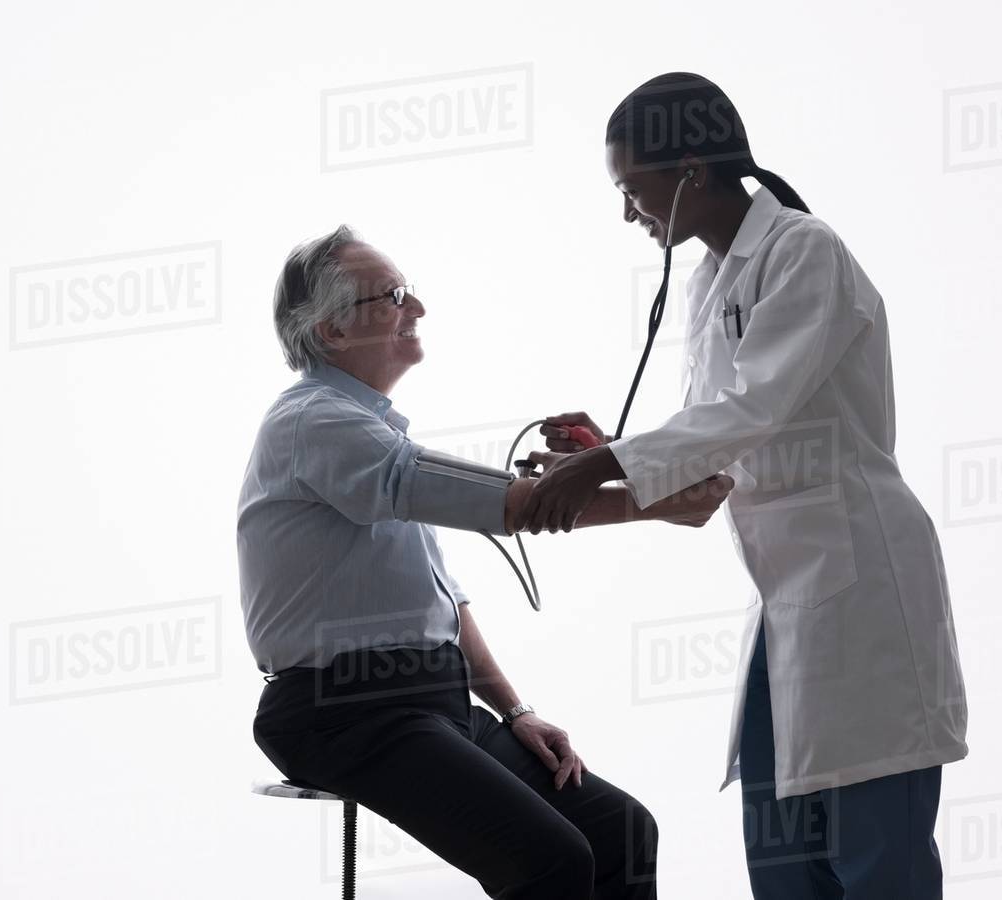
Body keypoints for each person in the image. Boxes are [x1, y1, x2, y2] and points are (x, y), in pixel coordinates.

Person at [518, 73, 967, 900]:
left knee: (878, 867)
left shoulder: (804, 249)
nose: (629, 214)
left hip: (862, 587)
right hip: (786, 601)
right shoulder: (709, 279)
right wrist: (607, 452)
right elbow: (710, 464)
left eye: (633, 190)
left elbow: (746, 410)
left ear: (690, 169)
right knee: (784, 868)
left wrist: (604, 467)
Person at [238, 225, 732, 899]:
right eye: (393, 296)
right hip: (344, 710)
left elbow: (444, 603)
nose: (416, 308)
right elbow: (513, 506)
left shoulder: (372, 432)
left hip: (431, 701)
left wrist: (514, 709)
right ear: (332, 332)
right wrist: (643, 493)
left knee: (622, 832)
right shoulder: (316, 424)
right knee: (550, 862)